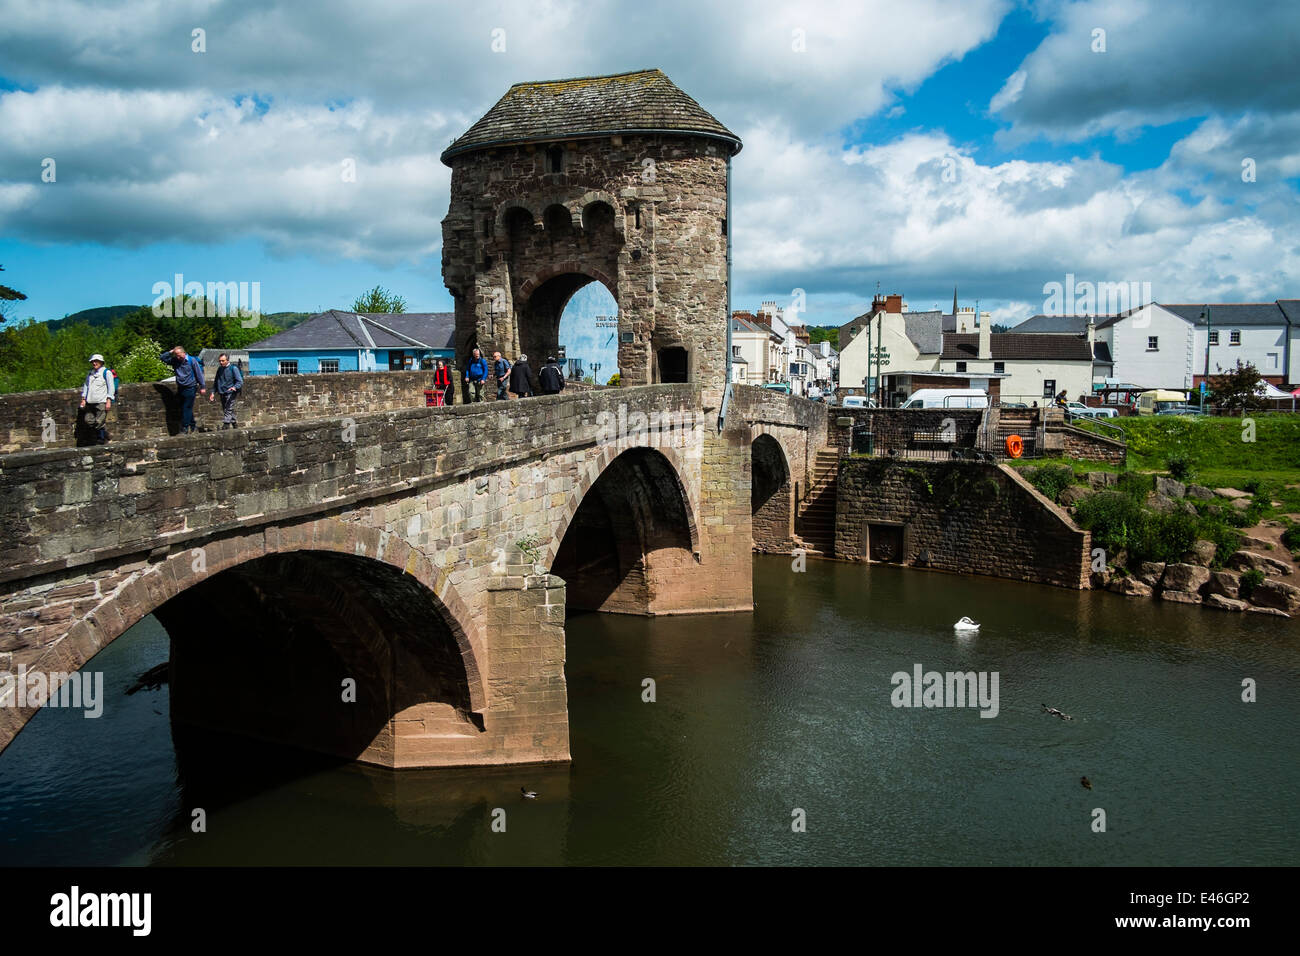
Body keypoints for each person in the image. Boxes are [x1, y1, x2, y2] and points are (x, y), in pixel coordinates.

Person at [160, 345, 206, 433]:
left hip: (191, 387)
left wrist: (202, 386)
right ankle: (193, 425)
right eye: (176, 355)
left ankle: (185, 428)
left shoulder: (192, 360)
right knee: (186, 408)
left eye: (179, 354)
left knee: (186, 407)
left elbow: (198, 373)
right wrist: (171, 351)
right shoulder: (175, 361)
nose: (178, 357)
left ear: (183, 353)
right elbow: (162, 358)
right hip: (181, 387)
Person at [79, 353, 115, 444]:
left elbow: (111, 387)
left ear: (101, 362)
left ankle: (101, 438)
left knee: (99, 421)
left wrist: (109, 400)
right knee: (88, 420)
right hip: (90, 402)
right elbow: (86, 386)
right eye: (93, 361)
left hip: (101, 401)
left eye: (96, 361)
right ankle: (103, 436)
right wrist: (83, 398)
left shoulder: (106, 372)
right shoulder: (90, 373)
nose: (94, 363)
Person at [208, 353, 243, 428]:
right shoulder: (220, 369)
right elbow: (216, 381)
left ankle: (226, 424)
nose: (221, 362)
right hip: (222, 391)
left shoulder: (233, 368)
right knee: (226, 408)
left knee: (228, 407)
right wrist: (213, 392)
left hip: (231, 392)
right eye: (220, 361)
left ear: (227, 360)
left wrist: (235, 387)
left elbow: (240, 381)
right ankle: (234, 423)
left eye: (223, 361)